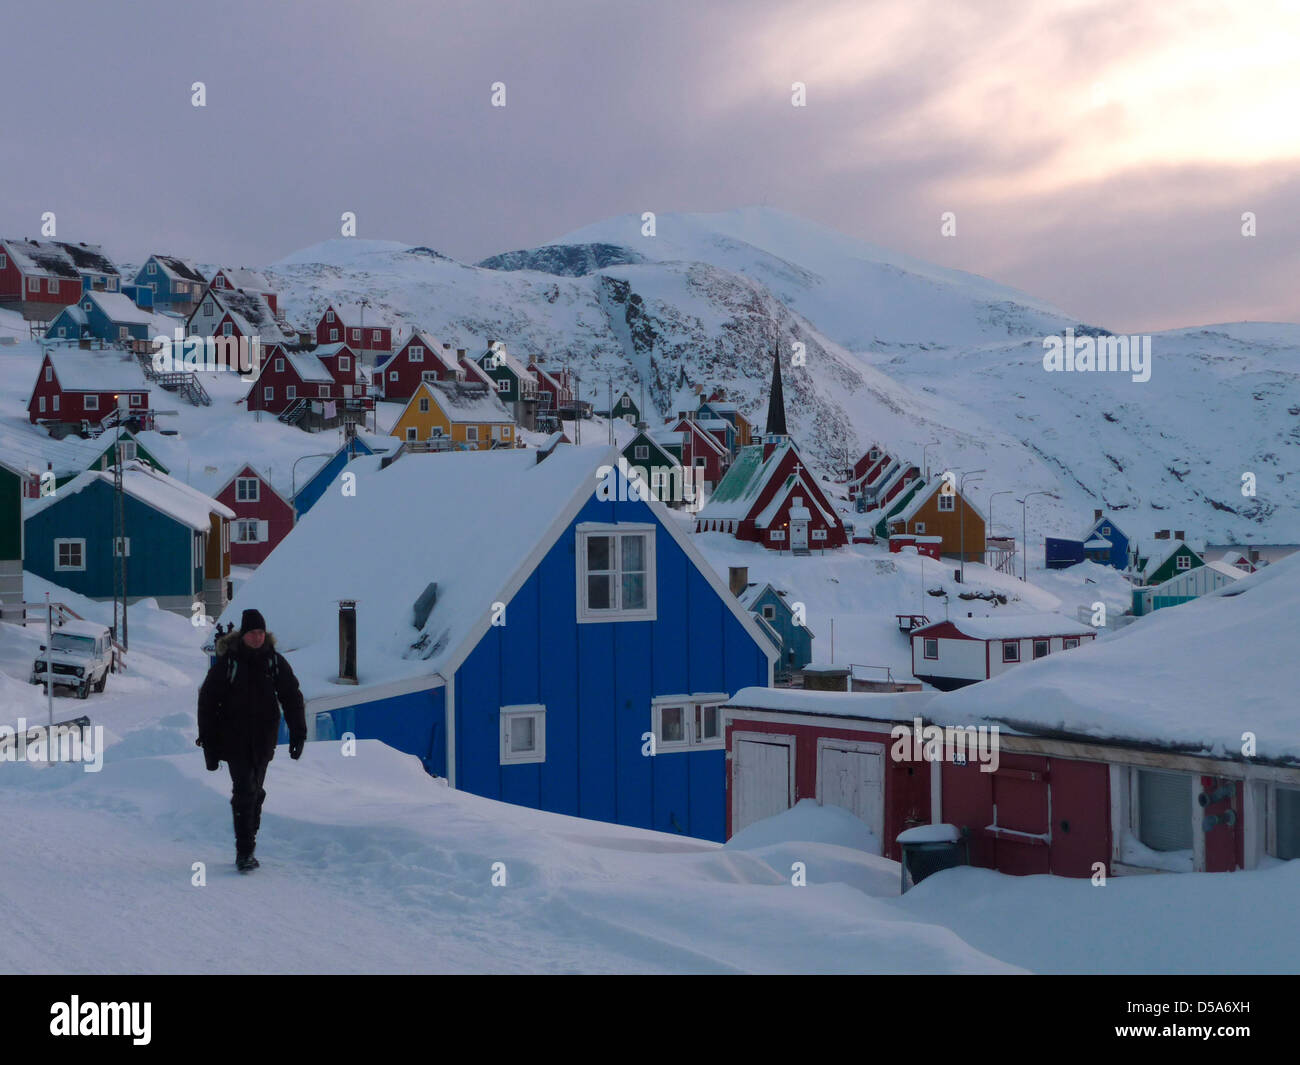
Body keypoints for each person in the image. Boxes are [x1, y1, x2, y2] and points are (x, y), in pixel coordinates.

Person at [197, 609, 306, 872]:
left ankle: (249, 835)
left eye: (260, 633)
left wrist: (298, 733)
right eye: (252, 633)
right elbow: (207, 704)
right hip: (234, 739)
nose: (257, 638)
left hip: (264, 739)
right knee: (244, 790)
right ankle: (244, 852)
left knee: (255, 791)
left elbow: (291, 697)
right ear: (243, 635)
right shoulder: (228, 664)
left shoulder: (275, 662)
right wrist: (209, 747)